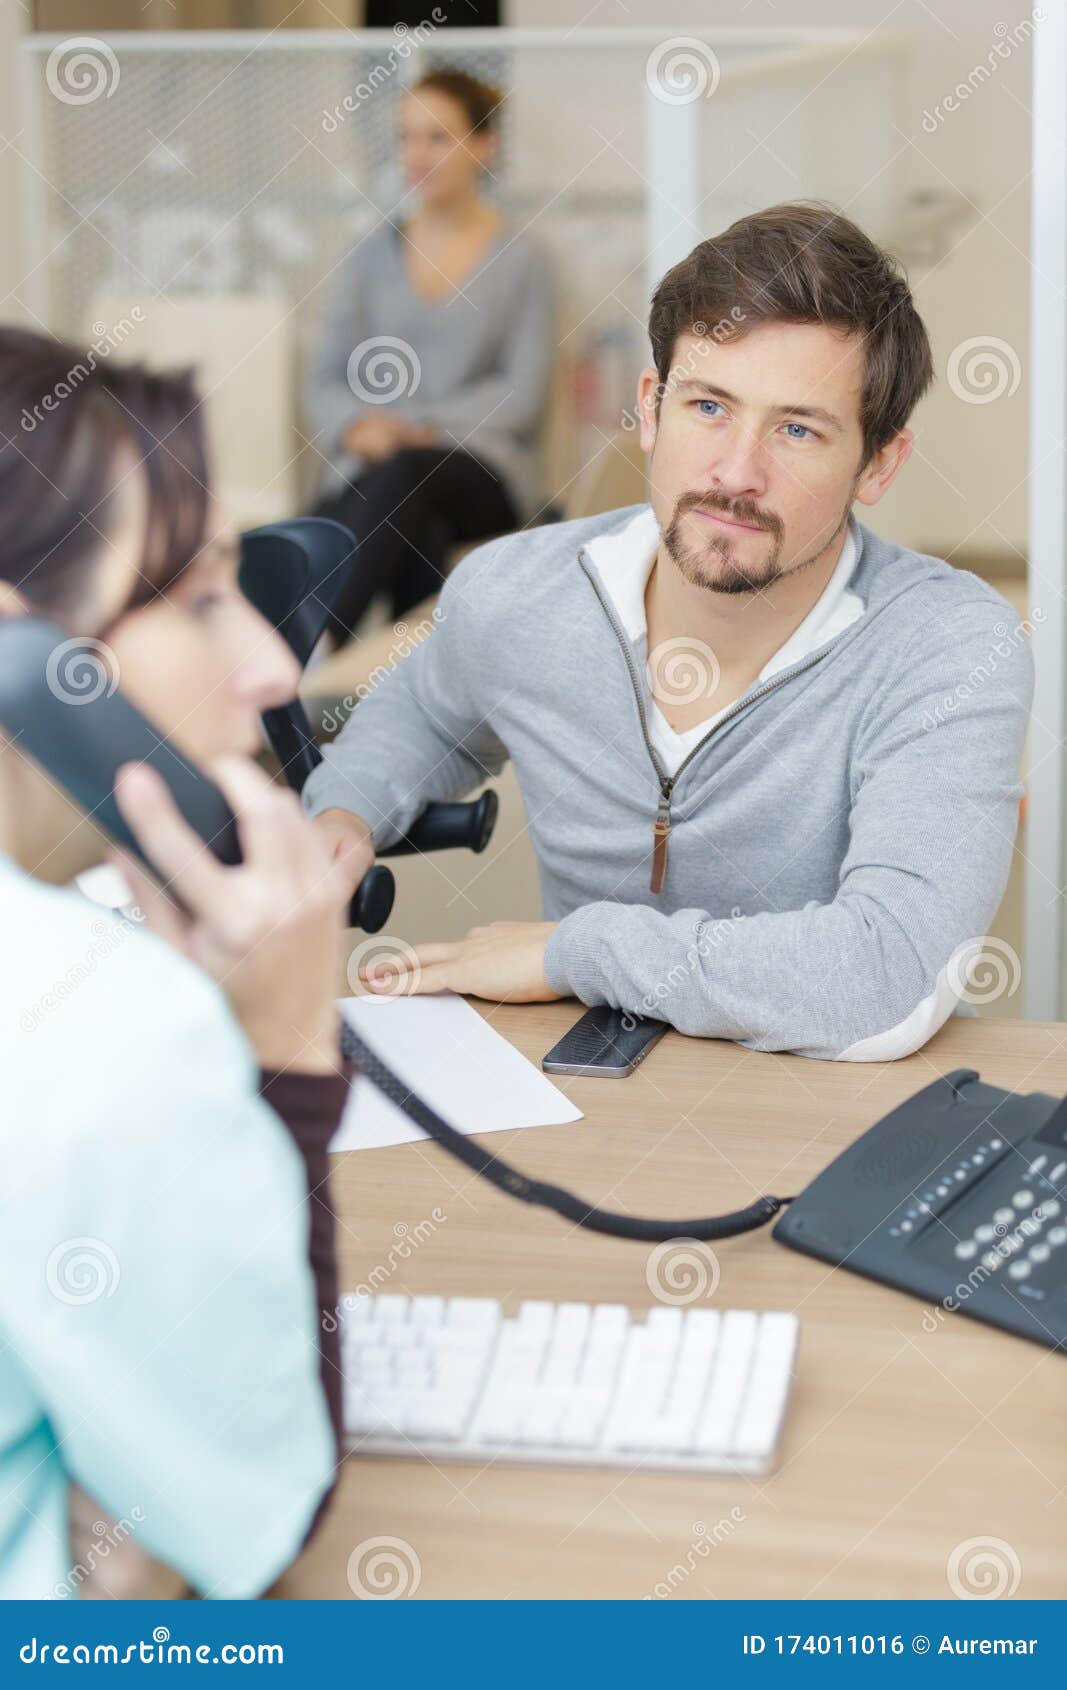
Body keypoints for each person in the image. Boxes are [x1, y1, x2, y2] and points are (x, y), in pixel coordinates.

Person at [305, 203, 1034, 1064]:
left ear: (877, 463)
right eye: (709, 407)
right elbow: (424, 714)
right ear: (650, 409)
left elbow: (883, 974)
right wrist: (343, 811)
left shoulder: (946, 644)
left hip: (821, 1119)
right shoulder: (518, 592)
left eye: (797, 429)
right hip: (584, 1098)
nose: (735, 472)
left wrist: (570, 953)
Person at [0, 328, 363, 1598]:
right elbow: (255, 1526)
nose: (269, 666)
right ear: (27, 663)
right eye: (202, 596)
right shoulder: (90, 1026)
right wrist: (284, 1052)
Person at [303, 67, 557, 644]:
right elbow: (324, 378)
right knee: (415, 514)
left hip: (480, 467)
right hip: (381, 470)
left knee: (407, 474)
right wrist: (355, 427)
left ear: (484, 146)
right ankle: (397, 698)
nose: (417, 154)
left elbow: (523, 393)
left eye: (438, 138)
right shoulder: (369, 253)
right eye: (406, 137)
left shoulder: (524, 258)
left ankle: (309, 646)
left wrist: (417, 429)